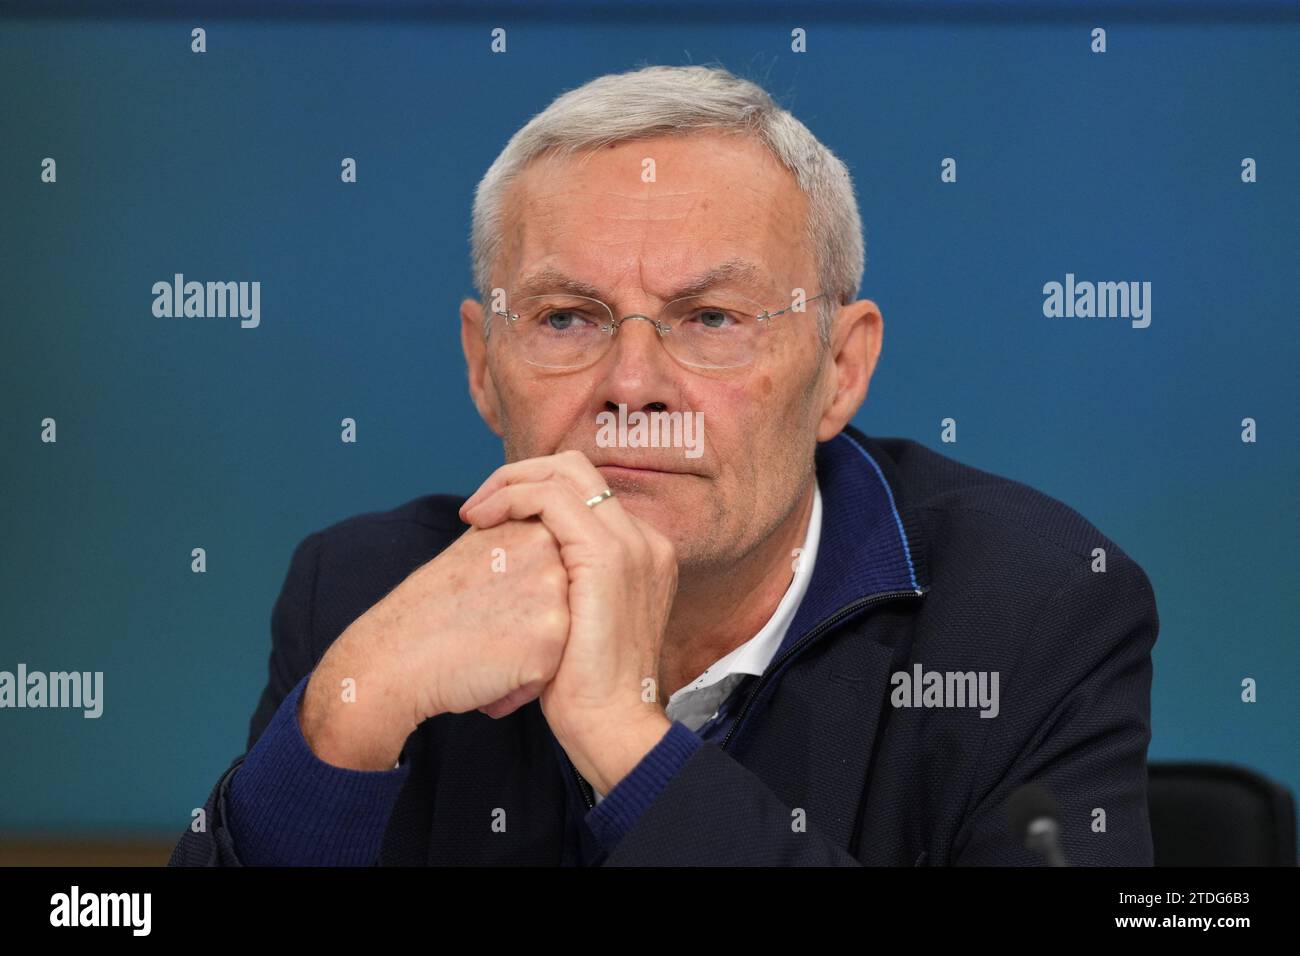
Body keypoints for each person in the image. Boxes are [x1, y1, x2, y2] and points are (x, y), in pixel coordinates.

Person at [169, 64, 1158, 867]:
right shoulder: (361, 590)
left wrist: (628, 741)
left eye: (712, 319)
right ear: (484, 366)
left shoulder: (1033, 604)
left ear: (839, 369)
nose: (632, 385)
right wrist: (347, 717)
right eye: (566, 317)